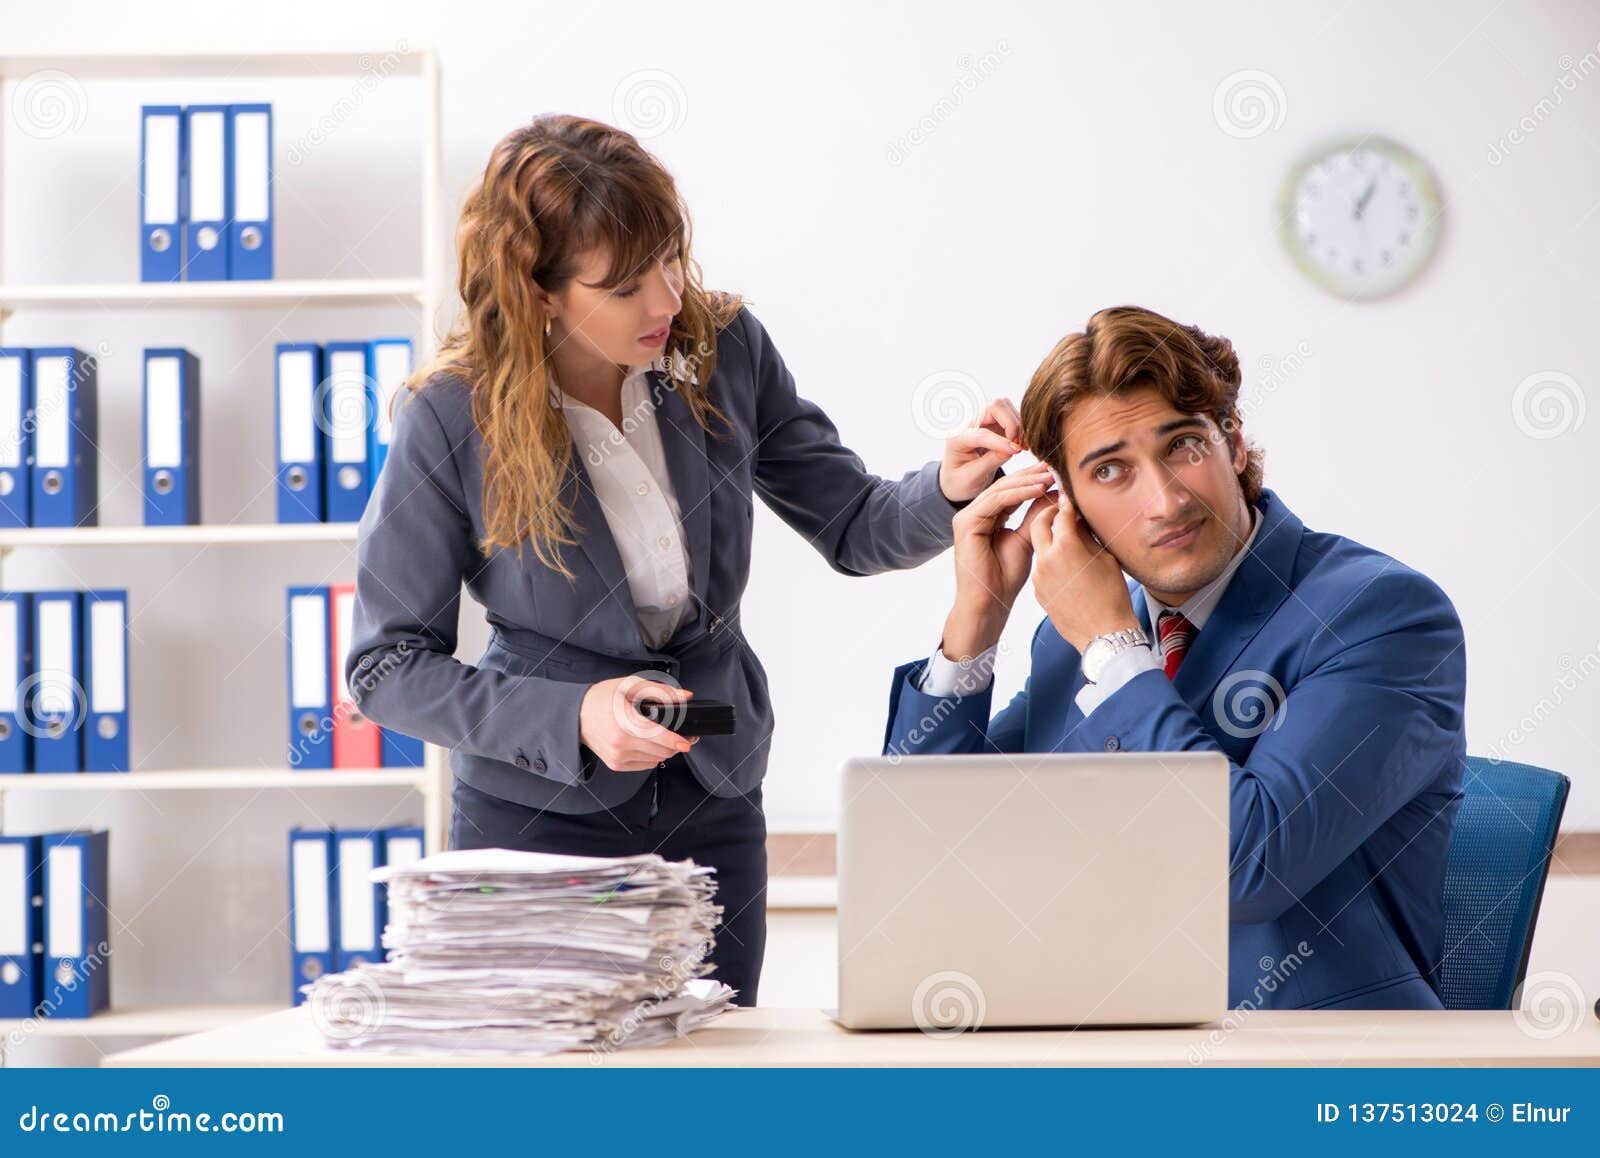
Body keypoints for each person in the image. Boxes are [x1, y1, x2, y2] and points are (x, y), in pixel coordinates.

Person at [345, 114, 1024, 1005]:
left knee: (716, 1074)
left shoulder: (722, 347)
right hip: (537, 816)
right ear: (539, 292)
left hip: (716, 796)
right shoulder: (450, 416)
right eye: (625, 285)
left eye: (671, 259)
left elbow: (854, 523)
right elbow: (386, 668)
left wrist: (945, 488)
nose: (666, 301)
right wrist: (575, 715)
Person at [883, 305, 1467, 1011]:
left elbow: (1248, 867)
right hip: (1109, 1054)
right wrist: (973, 625)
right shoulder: (1074, 639)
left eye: (1184, 446)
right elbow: (932, 854)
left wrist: (1113, 650)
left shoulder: (1384, 617)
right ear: (1063, 503)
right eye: (1110, 470)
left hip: (1316, 1066)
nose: (1164, 501)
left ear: (1235, 444)